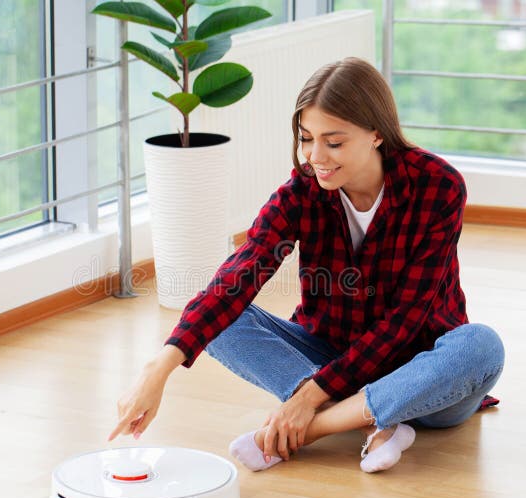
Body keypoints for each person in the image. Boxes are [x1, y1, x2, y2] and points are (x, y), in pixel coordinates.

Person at [108, 57, 505, 474]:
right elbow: (237, 278)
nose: (316, 157)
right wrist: (159, 368)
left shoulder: (438, 186)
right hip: (334, 358)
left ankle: (318, 426)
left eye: (333, 142)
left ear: (376, 134)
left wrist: (304, 401)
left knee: (480, 345)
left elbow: (407, 319)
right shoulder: (301, 193)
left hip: (424, 377)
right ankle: (373, 421)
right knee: (223, 317)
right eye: (305, 138)